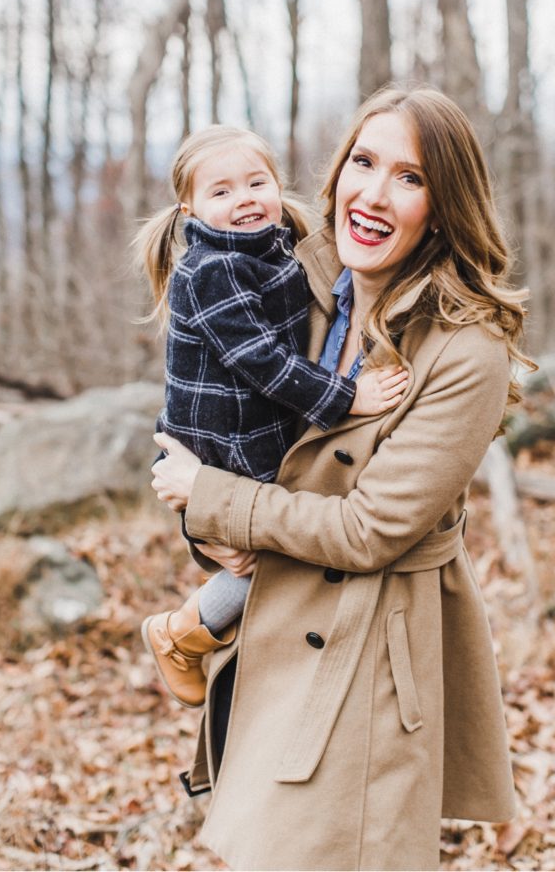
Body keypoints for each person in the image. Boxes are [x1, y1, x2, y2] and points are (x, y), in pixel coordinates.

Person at [151, 87, 534, 872]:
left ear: (443, 204)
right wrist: (198, 513)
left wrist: (215, 498)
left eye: (409, 177)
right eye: (363, 162)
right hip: (275, 613)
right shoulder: (297, 275)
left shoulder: (467, 353)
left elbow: (368, 530)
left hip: (366, 645)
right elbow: (205, 409)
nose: (372, 192)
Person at [135, 125, 408, 709]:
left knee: (282, 547)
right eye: (222, 192)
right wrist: (346, 396)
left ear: (278, 185)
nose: (245, 200)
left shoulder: (278, 247)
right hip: (225, 440)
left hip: (254, 433)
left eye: (257, 182)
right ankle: (181, 633)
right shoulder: (213, 270)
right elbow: (261, 360)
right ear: (190, 209)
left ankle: (191, 631)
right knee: (280, 549)